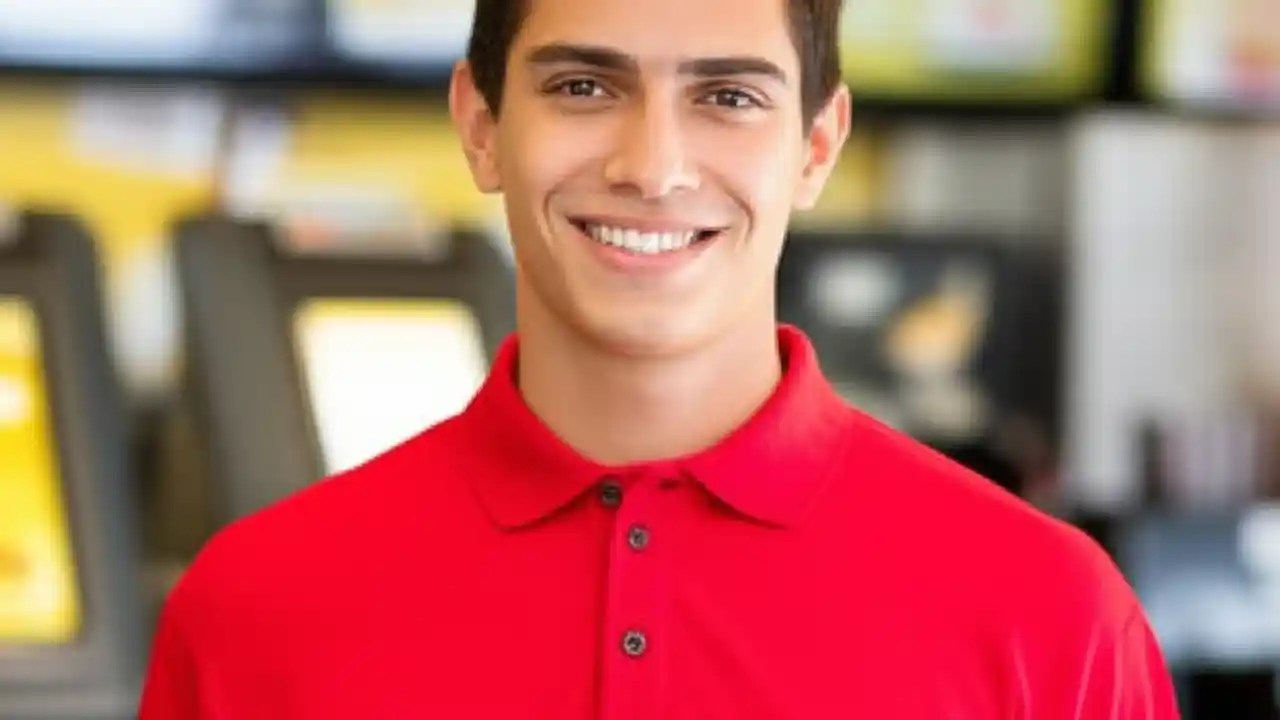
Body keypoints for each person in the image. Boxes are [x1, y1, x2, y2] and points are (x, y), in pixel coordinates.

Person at [139, 0, 1182, 717]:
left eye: (726, 97)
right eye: (585, 86)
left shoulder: (1049, 619)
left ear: (816, 146)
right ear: (480, 124)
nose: (651, 167)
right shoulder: (256, 610)